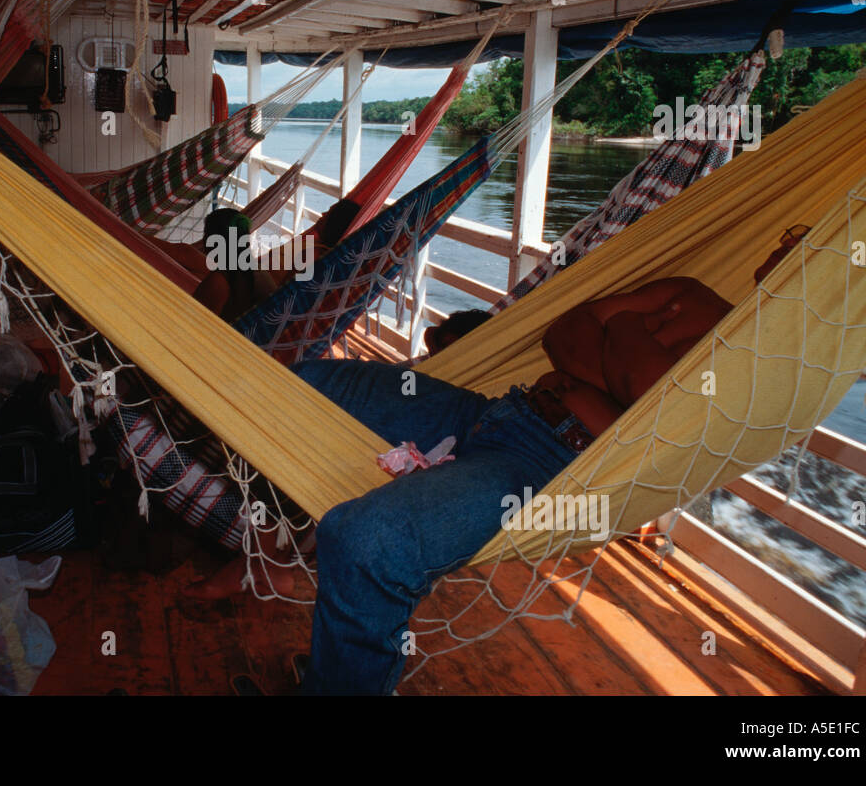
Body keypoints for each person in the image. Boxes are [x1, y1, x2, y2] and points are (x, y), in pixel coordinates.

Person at [299, 231, 806, 694]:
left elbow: (645, 391)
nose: (788, 249)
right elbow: (564, 333)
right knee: (308, 386)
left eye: (810, 248)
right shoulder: (695, 295)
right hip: (497, 410)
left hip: (545, 465)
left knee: (369, 540)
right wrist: (625, 366)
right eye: (792, 237)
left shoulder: (760, 377)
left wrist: (624, 326)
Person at [193, 208, 278, 321]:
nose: (203, 240)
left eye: (206, 234)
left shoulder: (219, 282)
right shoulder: (256, 271)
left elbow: (193, 320)